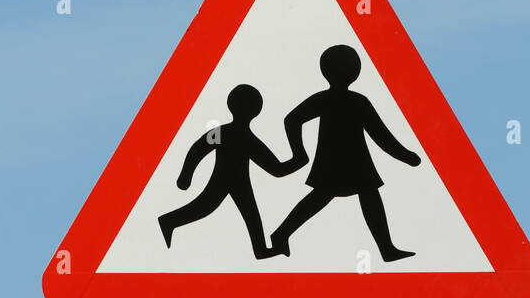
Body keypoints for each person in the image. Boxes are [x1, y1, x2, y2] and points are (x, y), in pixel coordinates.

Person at [270, 44, 421, 262]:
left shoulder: (333, 99)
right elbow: (381, 136)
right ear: (355, 71)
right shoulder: (355, 101)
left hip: (348, 162)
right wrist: (405, 156)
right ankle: (281, 234)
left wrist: (298, 153)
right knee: (342, 196)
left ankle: (386, 249)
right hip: (346, 161)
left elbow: (292, 120)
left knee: (348, 195)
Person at [158, 84, 299, 258]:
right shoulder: (245, 138)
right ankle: (168, 221)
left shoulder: (229, 133)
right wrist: (298, 160)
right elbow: (277, 169)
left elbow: (198, 148)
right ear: (257, 111)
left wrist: (186, 175)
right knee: (206, 207)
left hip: (238, 182)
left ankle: (260, 249)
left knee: (240, 213)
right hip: (225, 180)